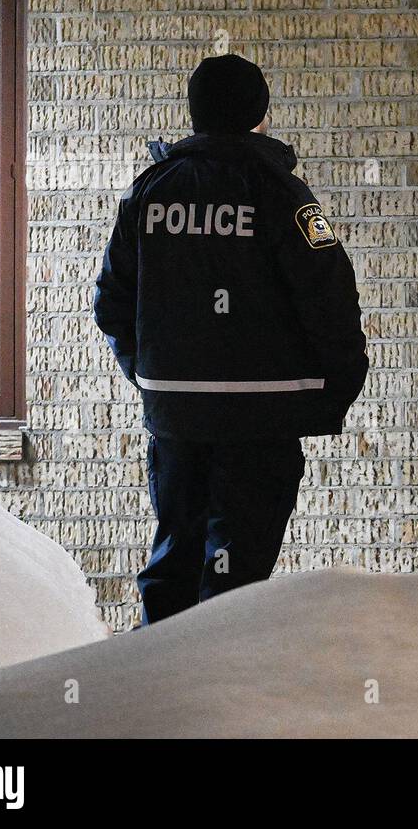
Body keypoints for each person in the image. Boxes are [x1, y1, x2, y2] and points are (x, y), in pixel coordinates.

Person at [94, 53, 368, 625]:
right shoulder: (280, 193)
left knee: (174, 563)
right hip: (261, 422)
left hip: (177, 420)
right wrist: (334, 388)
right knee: (236, 576)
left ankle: (158, 691)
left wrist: (153, 375)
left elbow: (112, 302)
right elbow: (329, 299)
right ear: (260, 114)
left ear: (194, 113)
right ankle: (217, 696)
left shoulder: (150, 190)